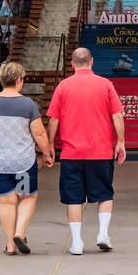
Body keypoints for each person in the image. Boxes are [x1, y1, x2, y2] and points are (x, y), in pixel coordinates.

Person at [47, 47, 125, 255]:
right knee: (105, 194)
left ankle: (77, 243)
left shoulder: (63, 86)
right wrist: (121, 142)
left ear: (72, 64)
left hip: (72, 154)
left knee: (74, 198)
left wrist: (49, 146)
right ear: (92, 62)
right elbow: (117, 115)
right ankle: (102, 234)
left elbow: (53, 118)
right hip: (100, 152)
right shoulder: (105, 85)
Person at [0, 61, 52, 255]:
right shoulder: (28, 105)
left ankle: (10, 244)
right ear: (19, 80)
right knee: (27, 197)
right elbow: (40, 134)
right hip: (22, 164)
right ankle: (20, 232)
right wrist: (47, 153)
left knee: (6, 202)